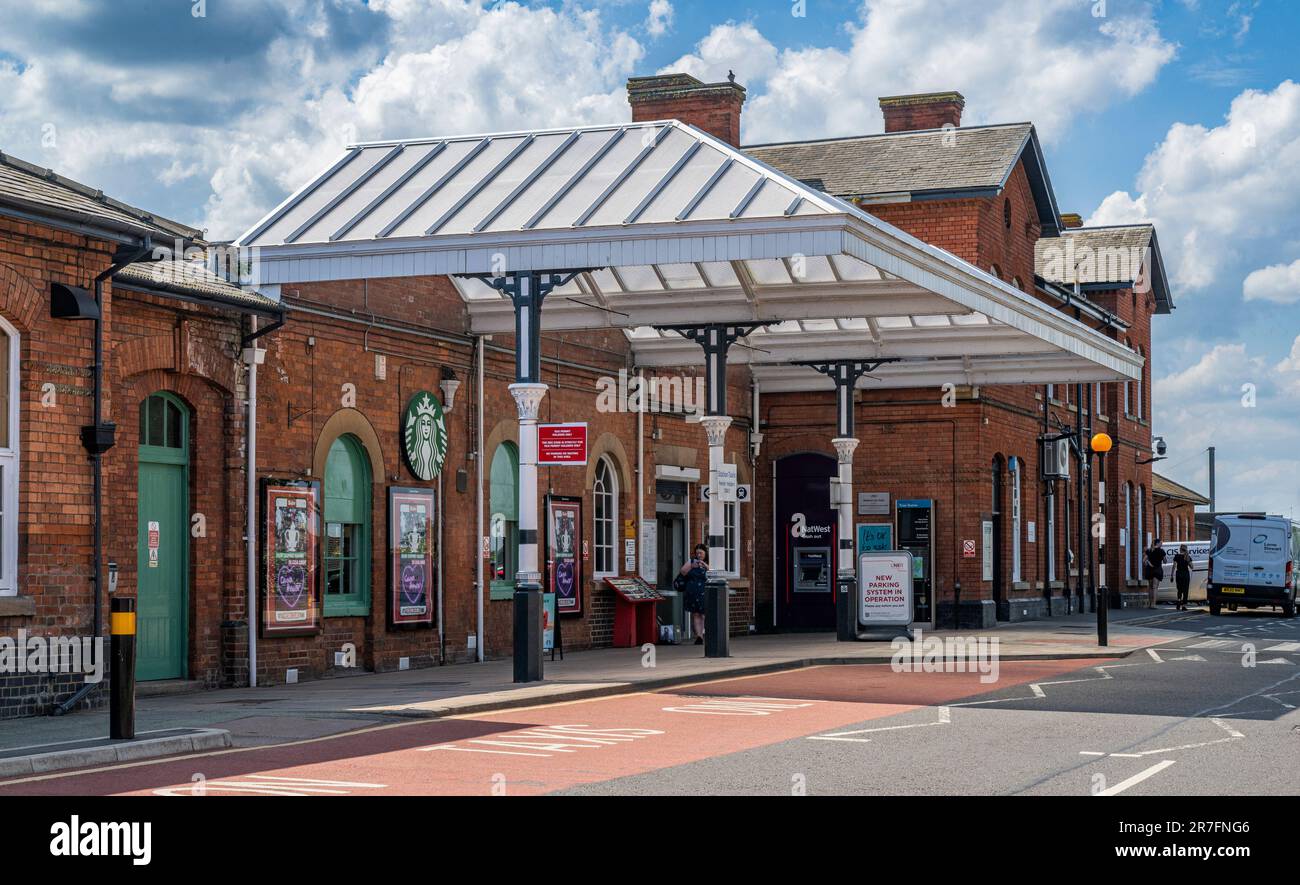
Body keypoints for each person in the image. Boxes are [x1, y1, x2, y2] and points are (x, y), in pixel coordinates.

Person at [679, 543, 710, 645]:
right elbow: (683, 571)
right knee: (696, 614)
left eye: (701, 553)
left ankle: (709, 634)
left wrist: (705, 566)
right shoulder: (692, 561)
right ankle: (699, 636)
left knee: (705, 614)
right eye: (697, 553)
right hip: (693, 591)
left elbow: (713, 573)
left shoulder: (708, 562)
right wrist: (692, 566)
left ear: (705, 553)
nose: (699, 555)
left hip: (704, 591)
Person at [1144, 539, 1166, 607]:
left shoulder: (1149, 550)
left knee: (1150, 587)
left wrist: (1149, 563)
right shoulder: (1161, 551)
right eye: (1161, 543)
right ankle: (1154, 604)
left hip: (1149, 570)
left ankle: (1150, 604)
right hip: (1157, 570)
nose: (1161, 544)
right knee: (1155, 587)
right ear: (1158, 543)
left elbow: (1144, 561)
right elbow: (1165, 561)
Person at [1172, 544, 1193, 611]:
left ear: (1180, 549)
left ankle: (1178, 601)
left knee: (1179, 589)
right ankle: (1184, 606)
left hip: (1179, 574)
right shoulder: (1187, 557)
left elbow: (1174, 566)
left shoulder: (1177, 556)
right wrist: (1188, 561)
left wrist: (1172, 575)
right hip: (1185, 574)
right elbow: (1192, 567)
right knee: (1185, 590)